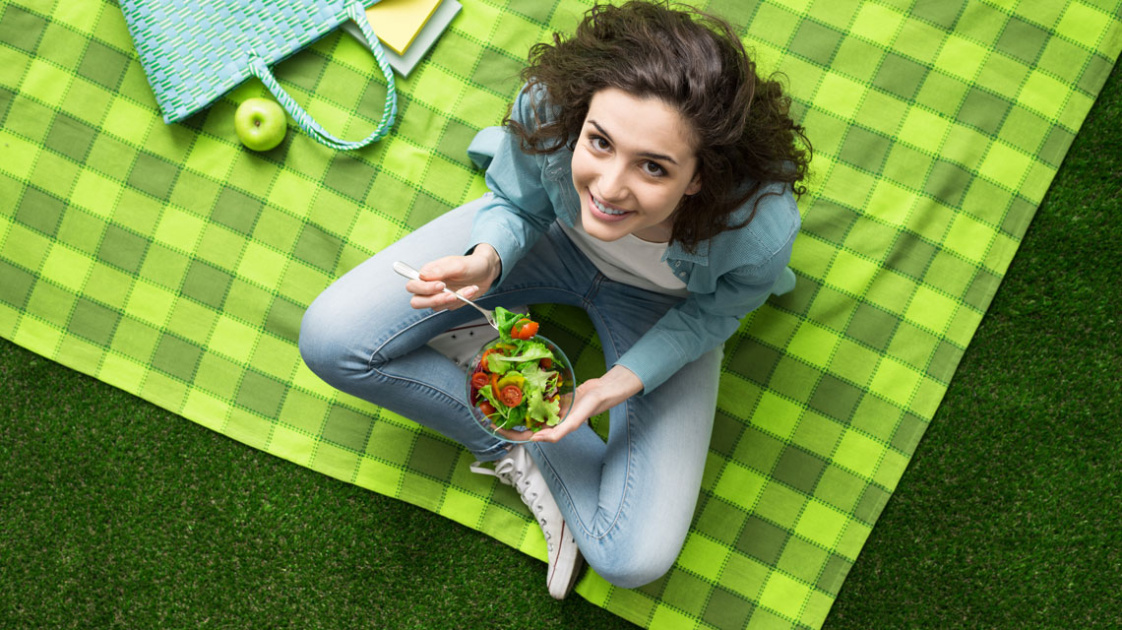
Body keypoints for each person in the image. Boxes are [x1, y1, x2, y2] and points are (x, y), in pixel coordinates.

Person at [299, 0, 811, 599]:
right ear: (581, 117)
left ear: (699, 176)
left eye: (652, 167)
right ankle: (508, 432)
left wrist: (621, 380)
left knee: (630, 559)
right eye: (599, 143)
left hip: (664, 309)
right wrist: (486, 257)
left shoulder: (758, 228)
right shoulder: (550, 106)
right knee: (329, 341)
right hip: (545, 242)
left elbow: (715, 315)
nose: (610, 189)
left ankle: (507, 393)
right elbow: (515, 201)